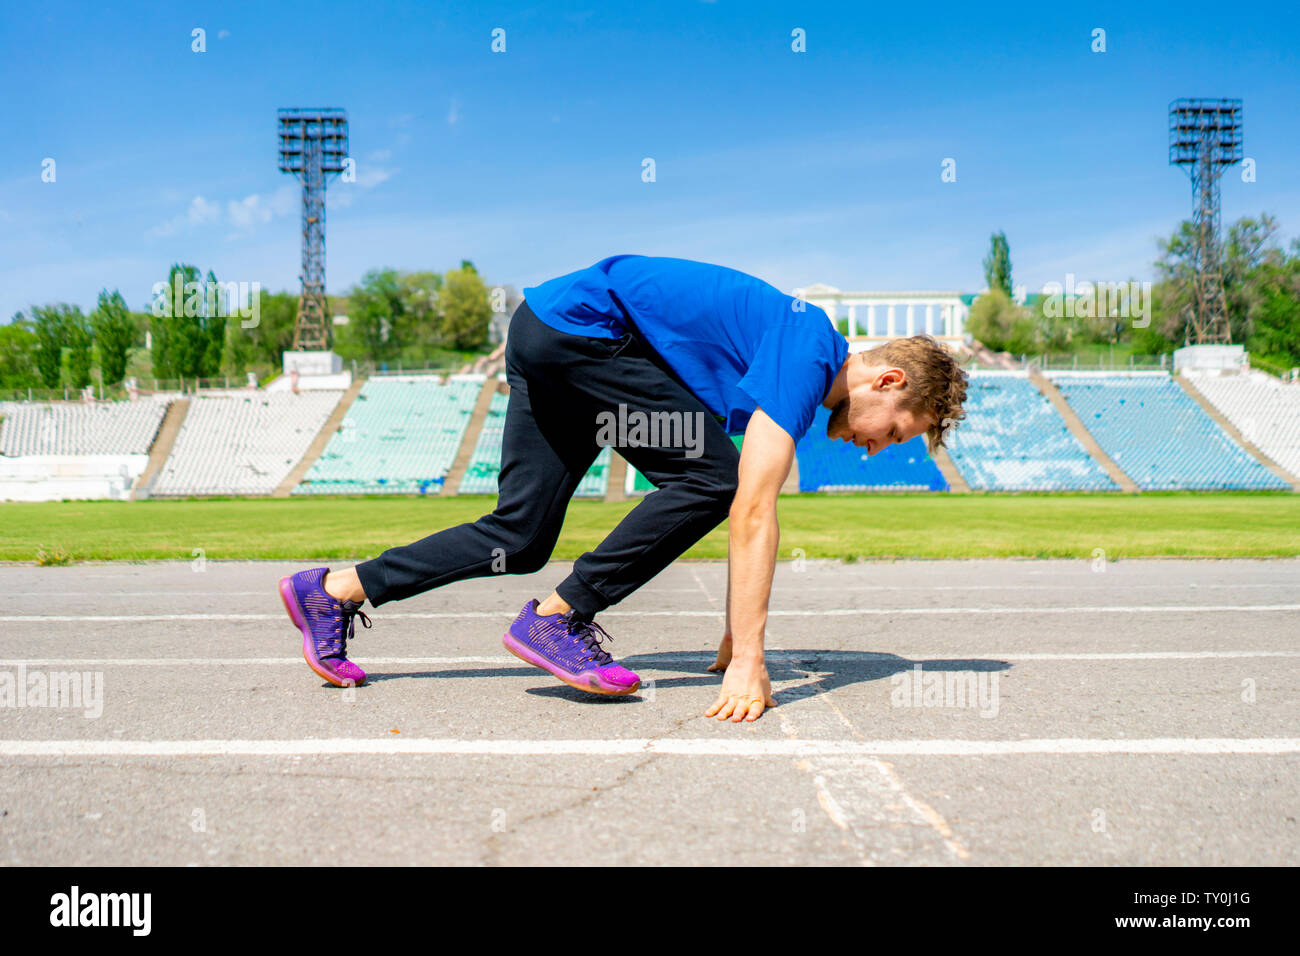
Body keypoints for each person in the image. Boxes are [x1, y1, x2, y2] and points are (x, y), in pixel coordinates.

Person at [279, 254, 967, 722]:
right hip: (585, 334)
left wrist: (734, 630)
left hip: (546, 331)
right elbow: (752, 506)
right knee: (717, 476)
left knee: (518, 536)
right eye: (900, 431)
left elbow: (741, 500)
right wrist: (749, 661)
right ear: (888, 382)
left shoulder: (786, 346)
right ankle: (557, 618)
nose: (880, 448)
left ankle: (334, 589)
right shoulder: (811, 346)